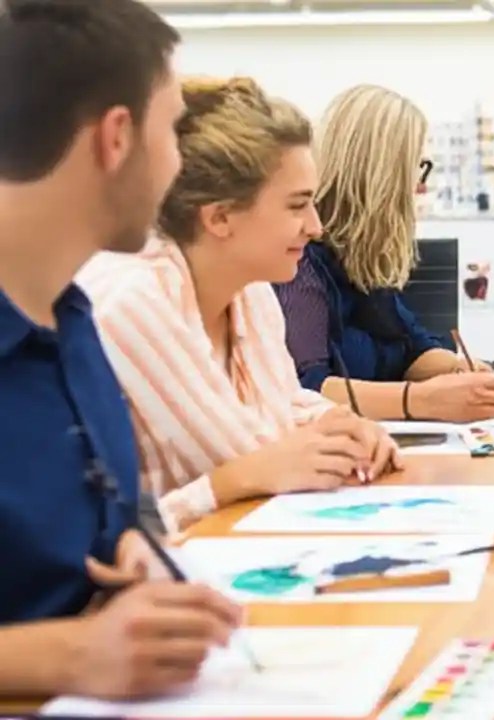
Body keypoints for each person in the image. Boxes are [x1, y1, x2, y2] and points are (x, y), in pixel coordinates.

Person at [0, 0, 240, 699]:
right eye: (173, 132)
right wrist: (66, 655)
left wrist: (128, 547)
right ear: (116, 137)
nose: (178, 164)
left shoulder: (71, 323)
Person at [77, 77, 400, 533]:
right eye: (297, 206)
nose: (317, 227)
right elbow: (249, 455)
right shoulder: (129, 304)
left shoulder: (250, 293)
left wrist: (340, 424)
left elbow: (281, 406)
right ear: (220, 216)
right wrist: (238, 479)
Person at [275, 85, 494, 423]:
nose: (421, 186)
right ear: (382, 173)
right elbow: (306, 390)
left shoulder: (361, 257)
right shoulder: (300, 262)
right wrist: (420, 400)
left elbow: (412, 349)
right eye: (419, 167)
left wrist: (463, 368)